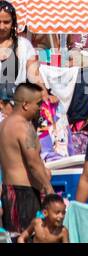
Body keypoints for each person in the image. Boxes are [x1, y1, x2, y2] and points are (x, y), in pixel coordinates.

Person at [0, 82, 51, 234]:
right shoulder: (24, 127)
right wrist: (49, 188)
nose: (40, 108)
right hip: (24, 195)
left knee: (15, 237)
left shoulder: (3, 125)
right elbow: (33, 164)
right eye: (38, 104)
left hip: (9, 192)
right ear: (26, 104)